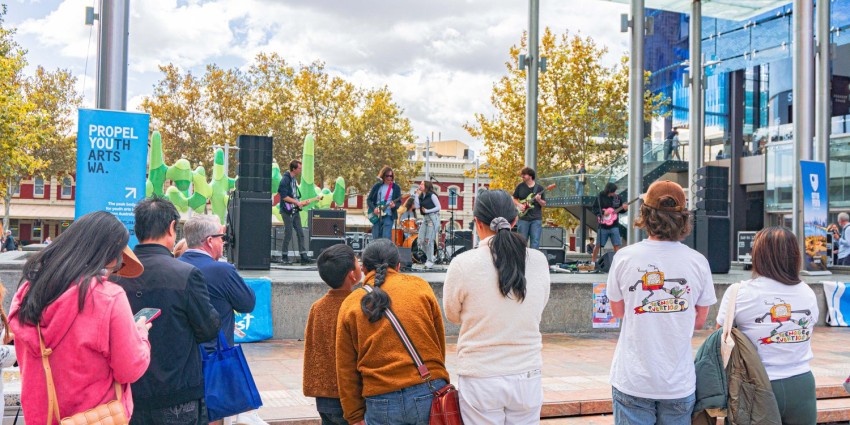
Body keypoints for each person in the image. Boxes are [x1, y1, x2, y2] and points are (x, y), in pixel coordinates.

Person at [8, 211, 151, 424]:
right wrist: (141, 333)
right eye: (118, 263)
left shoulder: (27, 291)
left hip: (41, 416)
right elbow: (129, 369)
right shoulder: (108, 297)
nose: (112, 272)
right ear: (108, 256)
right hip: (95, 417)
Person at [605, 180, 716, 425]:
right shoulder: (698, 262)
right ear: (683, 218)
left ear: (644, 214)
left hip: (633, 380)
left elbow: (618, 311)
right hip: (678, 383)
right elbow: (699, 321)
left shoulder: (624, 258)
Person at [443, 189, 551, 423]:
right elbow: (539, 306)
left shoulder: (462, 263)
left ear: (477, 223)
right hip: (527, 375)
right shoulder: (539, 261)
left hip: (481, 375)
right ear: (515, 221)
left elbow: (452, 314)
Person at [118, 197, 221, 425]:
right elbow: (209, 329)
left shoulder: (116, 275)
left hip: (128, 395)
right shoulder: (186, 274)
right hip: (178, 395)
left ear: (137, 229)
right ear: (172, 228)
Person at [335, 239, 449, 425]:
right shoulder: (419, 287)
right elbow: (438, 342)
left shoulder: (351, 303)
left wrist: (354, 416)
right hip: (428, 389)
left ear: (363, 269)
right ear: (398, 265)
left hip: (380, 398)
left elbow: (345, 366)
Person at [716, 227, 818, 424]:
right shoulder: (807, 292)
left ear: (758, 255)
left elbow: (721, 335)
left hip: (755, 386)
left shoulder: (739, 292)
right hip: (802, 383)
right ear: (794, 255)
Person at [179, 215, 260, 425]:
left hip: (180, 361)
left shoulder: (174, 266)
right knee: (213, 414)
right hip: (213, 359)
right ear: (209, 241)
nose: (224, 242)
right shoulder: (222, 270)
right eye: (221, 238)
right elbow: (247, 303)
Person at [304, 244, 363, 425]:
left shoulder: (318, 307)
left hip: (323, 398)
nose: (360, 263)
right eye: (356, 261)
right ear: (352, 275)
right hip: (348, 398)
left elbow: (313, 349)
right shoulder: (356, 306)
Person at [278, 160, 311, 265]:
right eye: (299, 168)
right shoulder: (285, 179)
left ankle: (303, 256)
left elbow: (293, 195)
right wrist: (296, 202)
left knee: (300, 233)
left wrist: (300, 203)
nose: (301, 170)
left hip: (294, 209)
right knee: (288, 232)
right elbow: (283, 196)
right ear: (294, 169)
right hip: (286, 210)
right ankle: (284, 256)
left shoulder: (294, 180)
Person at [591, 182, 627, 263]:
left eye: (614, 191)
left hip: (614, 225)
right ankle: (593, 261)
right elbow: (594, 208)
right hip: (603, 225)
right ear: (608, 191)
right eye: (612, 192)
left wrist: (624, 208)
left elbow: (620, 210)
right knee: (598, 245)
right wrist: (603, 213)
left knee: (616, 244)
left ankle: (618, 263)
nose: (614, 193)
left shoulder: (617, 198)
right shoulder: (600, 196)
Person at [512, 167, 546, 249]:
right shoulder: (520, 186)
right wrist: (519, 205)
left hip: (536, 218)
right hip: (523, 218)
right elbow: (514, 198)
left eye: (524, 175)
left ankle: (533, 260)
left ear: (530, 176)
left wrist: (539, 200)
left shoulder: (539, 188)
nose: (522, 176)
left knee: (535, 242)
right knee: (522, 242)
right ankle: (521, 259)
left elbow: (544, 203)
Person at [366, 166, 402, 241]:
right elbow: (369, 200)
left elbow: (399, 202)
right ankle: (376, 252)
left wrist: (394, 206)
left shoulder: (396, 188)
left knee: (386, 238)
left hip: (388, 215)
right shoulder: (377, 186)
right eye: (387, 176)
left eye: (391, 176)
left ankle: (386, 252)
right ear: (383, 176)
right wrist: (374, 209)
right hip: (377, 215)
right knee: (375, 238)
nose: (389, 178)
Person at [414, 180, 441, 269]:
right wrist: (416, 195)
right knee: (420, 240)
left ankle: (429, 261)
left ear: (427, 185)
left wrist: (428, 211)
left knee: (428, 240)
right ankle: (431, 257)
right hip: (425, 218)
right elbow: (417, 206)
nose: (420, 185)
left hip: (433, 218)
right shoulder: (422, 196)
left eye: (422, 184)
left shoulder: (432, 195)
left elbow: (438, 207)